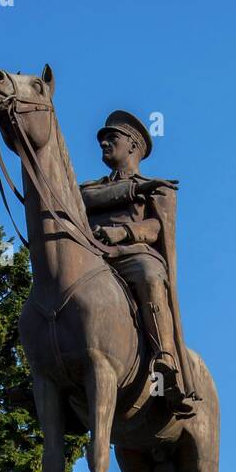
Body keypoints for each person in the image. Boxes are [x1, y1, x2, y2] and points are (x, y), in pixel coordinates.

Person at [80, 111, 199, 415]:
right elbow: (84, 202)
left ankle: (165, 359)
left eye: (112, 138)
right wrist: (133, 190)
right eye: (102, 139)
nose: (104, 143)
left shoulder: (155, 188)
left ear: (133, 145)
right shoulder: (90, 189)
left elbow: (156, 229)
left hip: (133, 255)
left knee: (150, 274)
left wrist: (123, 233)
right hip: (92, 257)